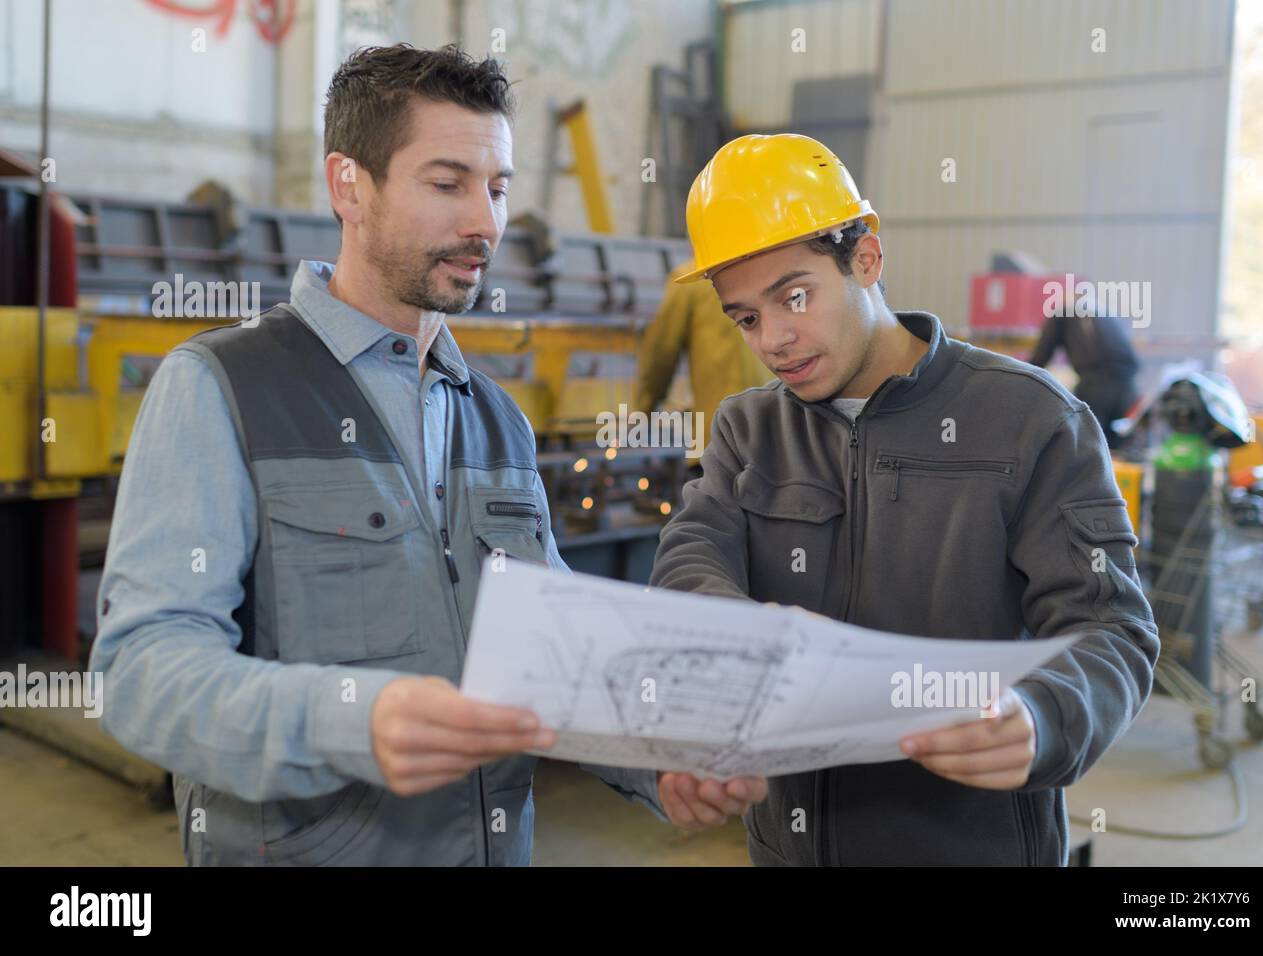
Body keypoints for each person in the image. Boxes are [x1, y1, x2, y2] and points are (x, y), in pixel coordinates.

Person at [90, 43, 764, 866]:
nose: (484, 223)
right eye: (447, 183)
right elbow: (141, 674)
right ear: (350, 187)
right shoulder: (221, 391)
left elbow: (551, 663)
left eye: (498, 188)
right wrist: (349, 719)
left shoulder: (497, 423)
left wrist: (654, 766)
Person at [650, 133, 1159, 866]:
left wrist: (1043, 716)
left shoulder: (1031, 420)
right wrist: (738, 636)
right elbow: (691, 557)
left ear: (866, 259)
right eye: (748, 317)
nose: (775, 340)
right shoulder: (748, 427)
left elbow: (1111, 627)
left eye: (795, 296)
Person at [633, 260, 771, 448]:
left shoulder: (689, 281)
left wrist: (642, 411)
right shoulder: (767, 267)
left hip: (719, 435)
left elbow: (661, 356)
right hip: (773, 430)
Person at [1028, 299, 1141, 447]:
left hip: (1097, 385)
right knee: (1120, 449)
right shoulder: (1104, 312)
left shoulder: (1062, 313)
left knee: (1088, 445)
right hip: (1129, 387)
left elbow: (1041, 357)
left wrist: (1024, 383)